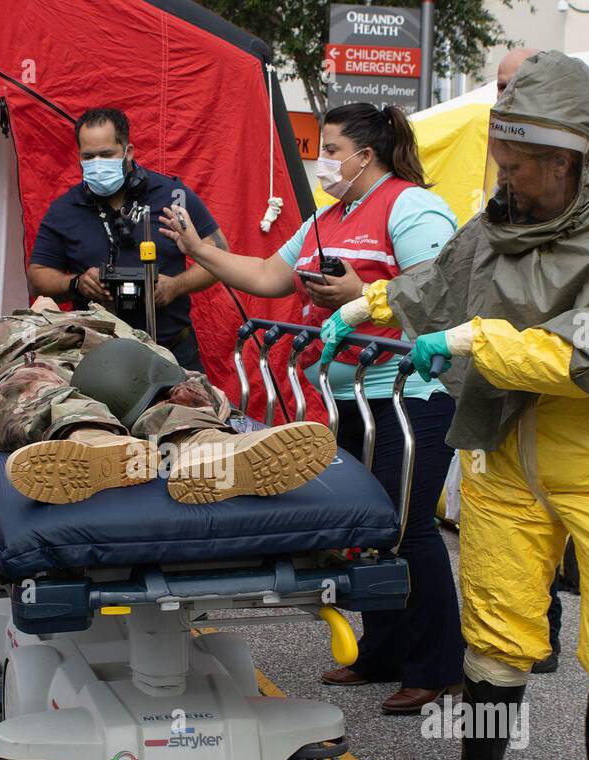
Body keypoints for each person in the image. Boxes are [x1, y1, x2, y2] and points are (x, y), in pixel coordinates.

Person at [324, 51, 589, 760]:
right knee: (496, 628)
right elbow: (448, 276)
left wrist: (472, 342)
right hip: (505, 452)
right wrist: (368, 303)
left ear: (581, 157)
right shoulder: (504, 216)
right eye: (509, 159)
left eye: (531, 166)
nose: (516, 179)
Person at [158, 103, 464, 716]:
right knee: (373, 529)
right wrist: (200, 251)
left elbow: (442, 290)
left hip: (411, 396)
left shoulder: (412, 207)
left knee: (410, 528)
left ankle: (437, 666)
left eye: (330, 149)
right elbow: (271, 275)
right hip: (350, 397)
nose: (322, 161)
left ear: (365, 156)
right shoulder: (330, 218)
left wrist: (362, 296)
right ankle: (381, 653)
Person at [0, 303, 336, 505]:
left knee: (165, 388)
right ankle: (94, 444)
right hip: (41, 361)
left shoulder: (100, 317)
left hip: (124, 371)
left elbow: (153, 351)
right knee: (32, 389)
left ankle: (204, 446)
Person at [27, 107, 228, 372]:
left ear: (128, 151)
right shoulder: (64, 209)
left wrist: (176, 286)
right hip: (98, 358)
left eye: (107, 154)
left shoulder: (173, 195)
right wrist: (77, 283)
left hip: (173, 352)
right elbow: (37, 276)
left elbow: (220, 252)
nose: (97, 163)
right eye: (89, 156)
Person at [498, 47, 563, 676]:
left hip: (573, 411)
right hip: (507, 406)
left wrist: (475, 344)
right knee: (508, 561)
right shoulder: (507, 194)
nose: (505, 102)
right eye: (498, 89)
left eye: (515, 87)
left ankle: (548, 624)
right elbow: (456, 272)